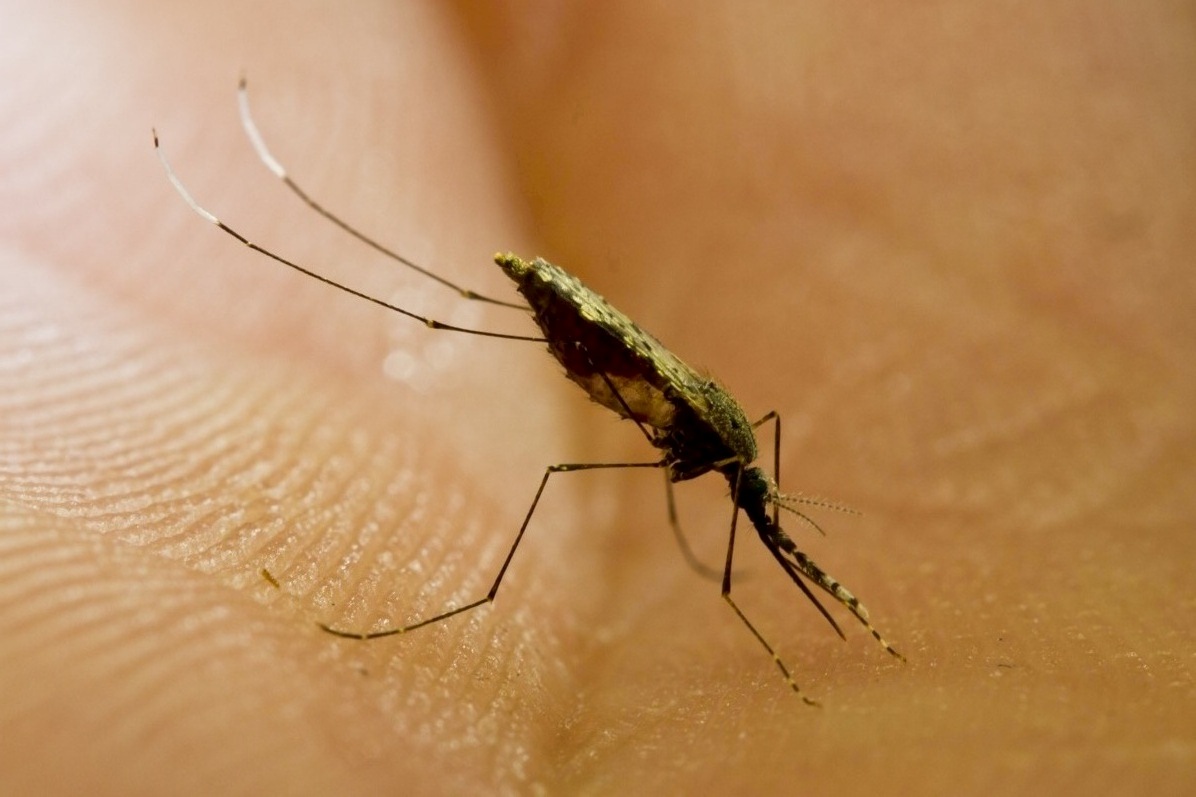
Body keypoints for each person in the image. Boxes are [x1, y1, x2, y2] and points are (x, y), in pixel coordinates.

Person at [2, 2, 1191, 793]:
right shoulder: (720, 443)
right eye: (755, 503)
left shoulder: (736, 449)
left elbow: (739, 475)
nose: (761, 517)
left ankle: (270, 205)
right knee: (462, 323)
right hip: (623, 352)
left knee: (548, 375)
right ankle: (267, 214)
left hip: (654, 382)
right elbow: (708, 457)